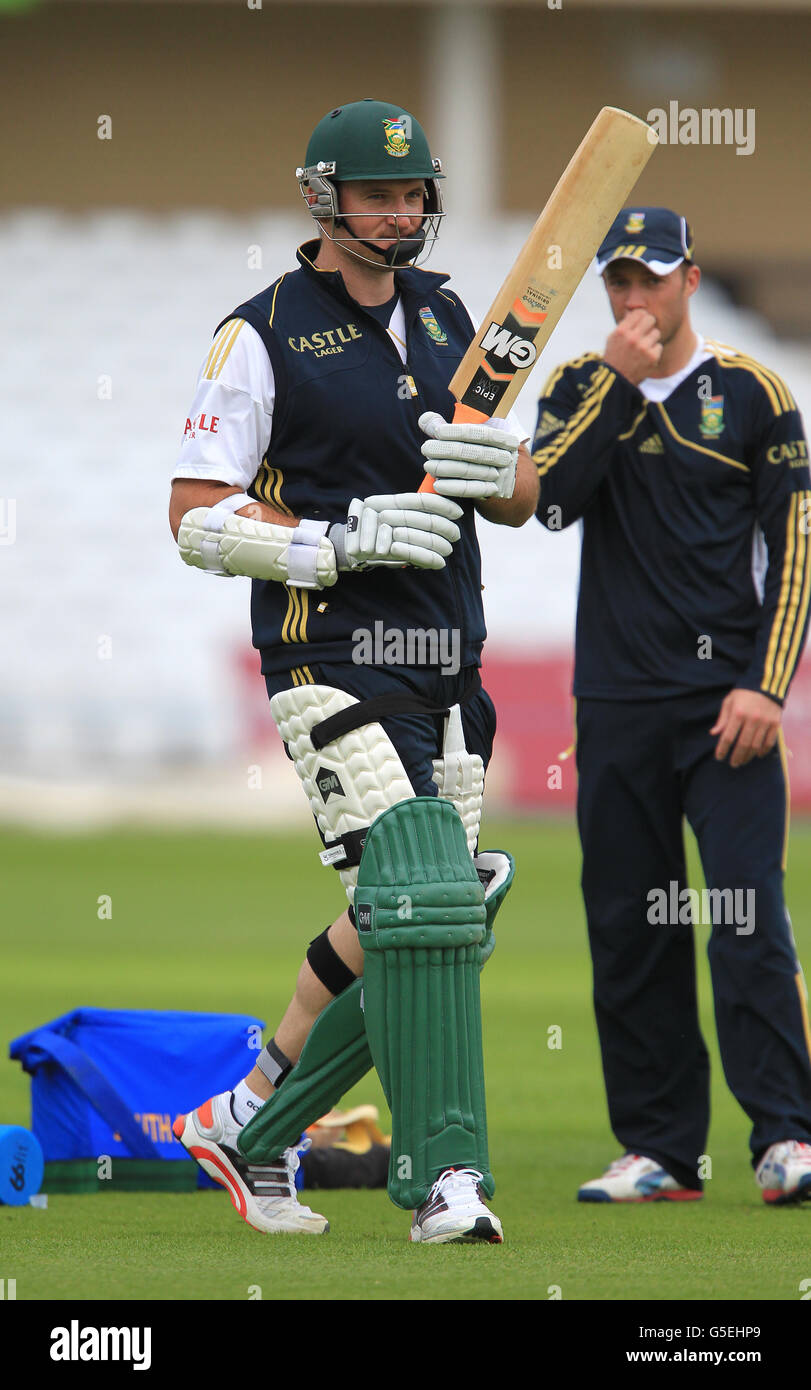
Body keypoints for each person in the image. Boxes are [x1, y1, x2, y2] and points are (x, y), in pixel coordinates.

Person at [168, 98, 538, 1242]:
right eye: (375, 195)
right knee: (423, 900)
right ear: (323, 200)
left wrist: (496, 471)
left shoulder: (446, 314)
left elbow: (520, 497)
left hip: (446, 647)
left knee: (440, 906)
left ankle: (250, 1120)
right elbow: (189, 515)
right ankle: (444, 1177)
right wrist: (331, 540)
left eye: (411, 193)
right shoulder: (260, 331)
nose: (397, 213)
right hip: (324, 650)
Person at [533, 206, 811, 1205]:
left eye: (648, 278)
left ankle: (787, 1136)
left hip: (726, 710)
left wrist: (765, 684)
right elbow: (551, 500)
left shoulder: (753, 392)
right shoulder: (576, 384)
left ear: (691, 279)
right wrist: (613, 376)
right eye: (617, 279)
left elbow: (796, 551)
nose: (631, 296)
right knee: (627, 928)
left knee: (745, 922)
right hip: (612, 703)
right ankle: (660, 1151)